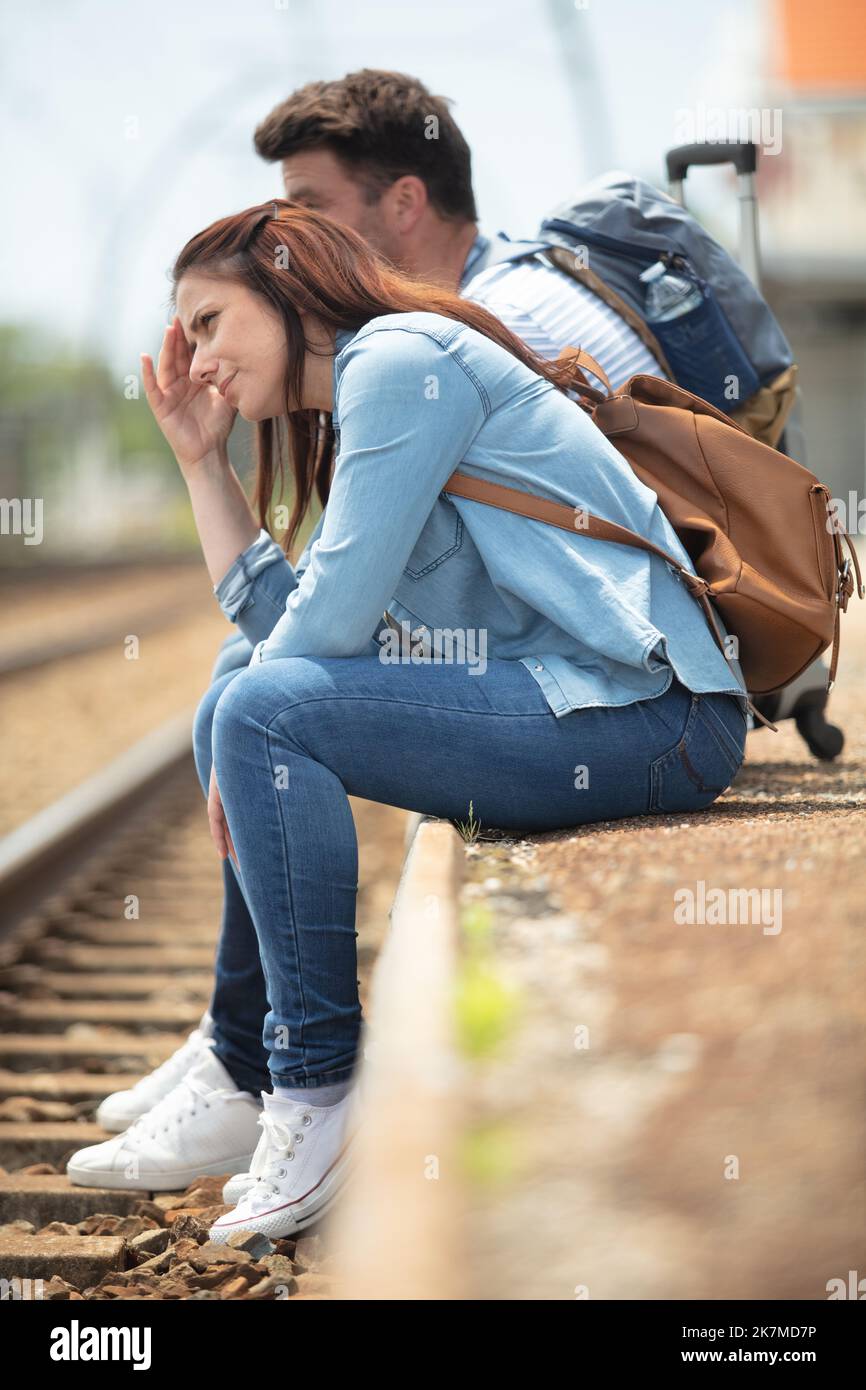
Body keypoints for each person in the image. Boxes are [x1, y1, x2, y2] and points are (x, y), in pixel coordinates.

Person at [68, 201, 749, 1240]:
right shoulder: (368, 393)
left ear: (287, 286)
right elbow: (278, 622)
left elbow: (323, 628)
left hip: (647, 711)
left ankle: (311, 1085)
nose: (195, 358)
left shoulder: (396, 363)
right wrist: (203, 461)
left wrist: (238, 748)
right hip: (562, 696)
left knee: (252, 710)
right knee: (234, 691)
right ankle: (240, 1061)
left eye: (208, 322)